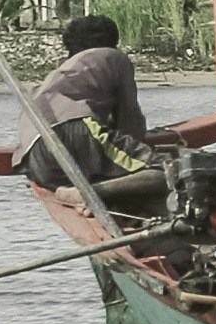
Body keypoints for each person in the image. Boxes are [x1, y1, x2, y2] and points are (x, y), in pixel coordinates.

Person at [36, 13, 146, 192]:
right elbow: (130, 120)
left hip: (37, 159)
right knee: (164, 168)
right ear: (113, 42)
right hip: (75, 133)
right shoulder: (113, 57)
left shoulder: (61, 72)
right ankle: (88, 195)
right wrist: (137, 146)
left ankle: (81, 191)